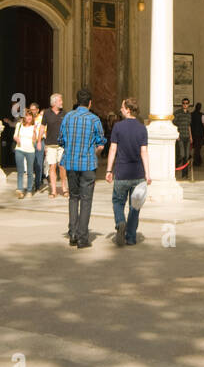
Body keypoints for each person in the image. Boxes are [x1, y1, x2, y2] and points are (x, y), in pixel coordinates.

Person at [58, 88, 106, 249]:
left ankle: (72, 232)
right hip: (87, 163)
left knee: (73, 197)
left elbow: (61, 140)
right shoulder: (94, 119)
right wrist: (96, 149)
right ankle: (82, 237)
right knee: (86, 200)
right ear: (90, 102)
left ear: (77, 101)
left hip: (70, 163)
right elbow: (101, 140)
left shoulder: (67, 117)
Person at [106, 97, 152, 247]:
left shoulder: (118, 127)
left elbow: (113, 149)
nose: (120, 109)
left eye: (122, 107)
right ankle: (131, 237)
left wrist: (108, 170)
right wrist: (147, 173)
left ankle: (120, 222)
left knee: (118, 202)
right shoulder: (142, 128)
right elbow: (144, 151)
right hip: (138, 174)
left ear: (128, 109)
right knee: (135, 207)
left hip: (122, 172)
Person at [42, 93, 68, 198]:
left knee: (62, 167)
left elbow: (67, 128)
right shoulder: (47, 113)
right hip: (50, 144)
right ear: (54, 102)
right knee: (52, 166)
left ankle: (64, 188)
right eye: (60, 100)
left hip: (62, 145)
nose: (62, 102)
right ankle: (53, 190)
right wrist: (40, 142)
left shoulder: (64, 113)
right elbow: (43, 127)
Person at [12, 108, 42, 199]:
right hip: (19, 149)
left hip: (30, 150)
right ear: (24, 117)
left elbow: (34, 140)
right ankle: (20, 189)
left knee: (29, 171)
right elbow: (15, 136)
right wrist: (17, 139)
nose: (28, 117)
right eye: (27, 115)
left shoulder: (35, 127)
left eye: (30, 116)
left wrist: (34, 131)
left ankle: (29, 190)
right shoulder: (19, 125)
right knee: (20, 171)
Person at [28, 103, 47, 193]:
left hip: (40, 141)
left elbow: (45, 131)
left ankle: (38, 184)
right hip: (30, 142)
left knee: (39, 163)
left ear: (38, 110)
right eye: (31, 110)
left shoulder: (42, 119)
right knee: (31, 163)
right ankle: (31, 184)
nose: (32, 111)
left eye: (34, 109)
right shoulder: (29, 119)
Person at [173, 97, 193, 179]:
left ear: (188, 105)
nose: (185, 105)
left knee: (187, 156)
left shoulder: (189, 114)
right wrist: (176, 134)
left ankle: (184, 174)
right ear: (182, 104)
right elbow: (173, 124)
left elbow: (189, 126)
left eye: (186, 103)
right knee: (181, 154)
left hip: (187, 137)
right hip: (180, 137)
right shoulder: (177, 113)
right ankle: (174, 168)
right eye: (184, 103)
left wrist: (191, 136)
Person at [190, 102, 204, 167]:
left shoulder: (191, 114)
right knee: (198, 148)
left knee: (196, 148)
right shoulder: (202, 115)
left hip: (193, 134)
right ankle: (196, 162)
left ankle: (198, 160)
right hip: (199, 134)